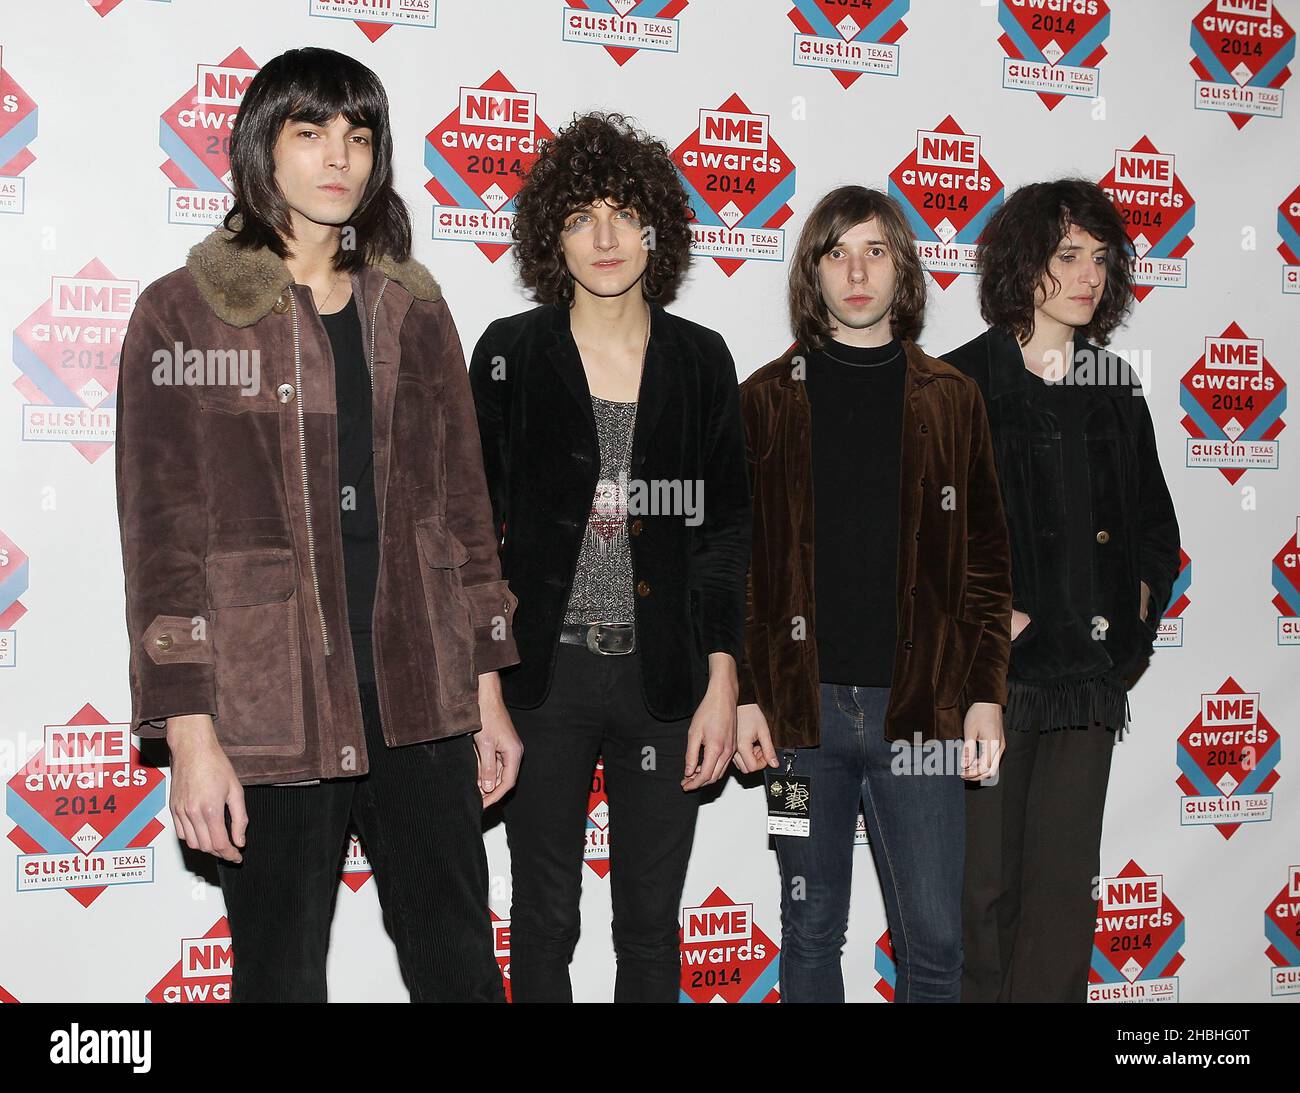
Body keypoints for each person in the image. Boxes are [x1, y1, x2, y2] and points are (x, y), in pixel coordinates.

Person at [115, 47, 520, 1002]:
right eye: (311, 131)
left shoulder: (413, 308)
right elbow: (163, 546)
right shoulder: (184, 315)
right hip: (270, 713)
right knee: (281, 978)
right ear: (264, 146)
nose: (339, 155)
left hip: (420, 699)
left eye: (360, 134)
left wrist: (490, 688)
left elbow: (466, 512)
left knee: (461, 966)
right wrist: (191, 734)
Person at [469, 111, 751, 1003]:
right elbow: (474, 536)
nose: (604, 236)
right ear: (552, 230)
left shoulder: (702, 361)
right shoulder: (510, 354)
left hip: (663, 684)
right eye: (582, 214)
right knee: (544, 921)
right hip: (540, 682)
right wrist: (483, 693)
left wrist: (722, 679)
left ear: (654, 229)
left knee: (650, 929)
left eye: (625, 212)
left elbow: (722, 537)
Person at [734, 185, 1012, 1003]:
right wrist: (749, 692)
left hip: (922, 714)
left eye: (876, 250)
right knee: (808, 930)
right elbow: (738, 566)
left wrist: (985, 695)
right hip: (796, 721)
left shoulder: (953, 399)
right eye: (835, 252)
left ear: (904, 268)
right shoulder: (763, 399)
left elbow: (988, 565)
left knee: (935, 938)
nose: (856, 270)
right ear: (812, 273)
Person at [942, 178, 1181, 1002]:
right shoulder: (960, 381)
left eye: (1101, 258)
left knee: (1061, 900)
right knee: (981, 893)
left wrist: (1135, 627)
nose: (1089, 276)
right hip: (989, 689)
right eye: (1067, 255)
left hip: (1087, 684)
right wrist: (981, 627)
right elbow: (918, 536)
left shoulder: (1115, 384)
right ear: (1021, 264)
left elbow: (1157, 527)